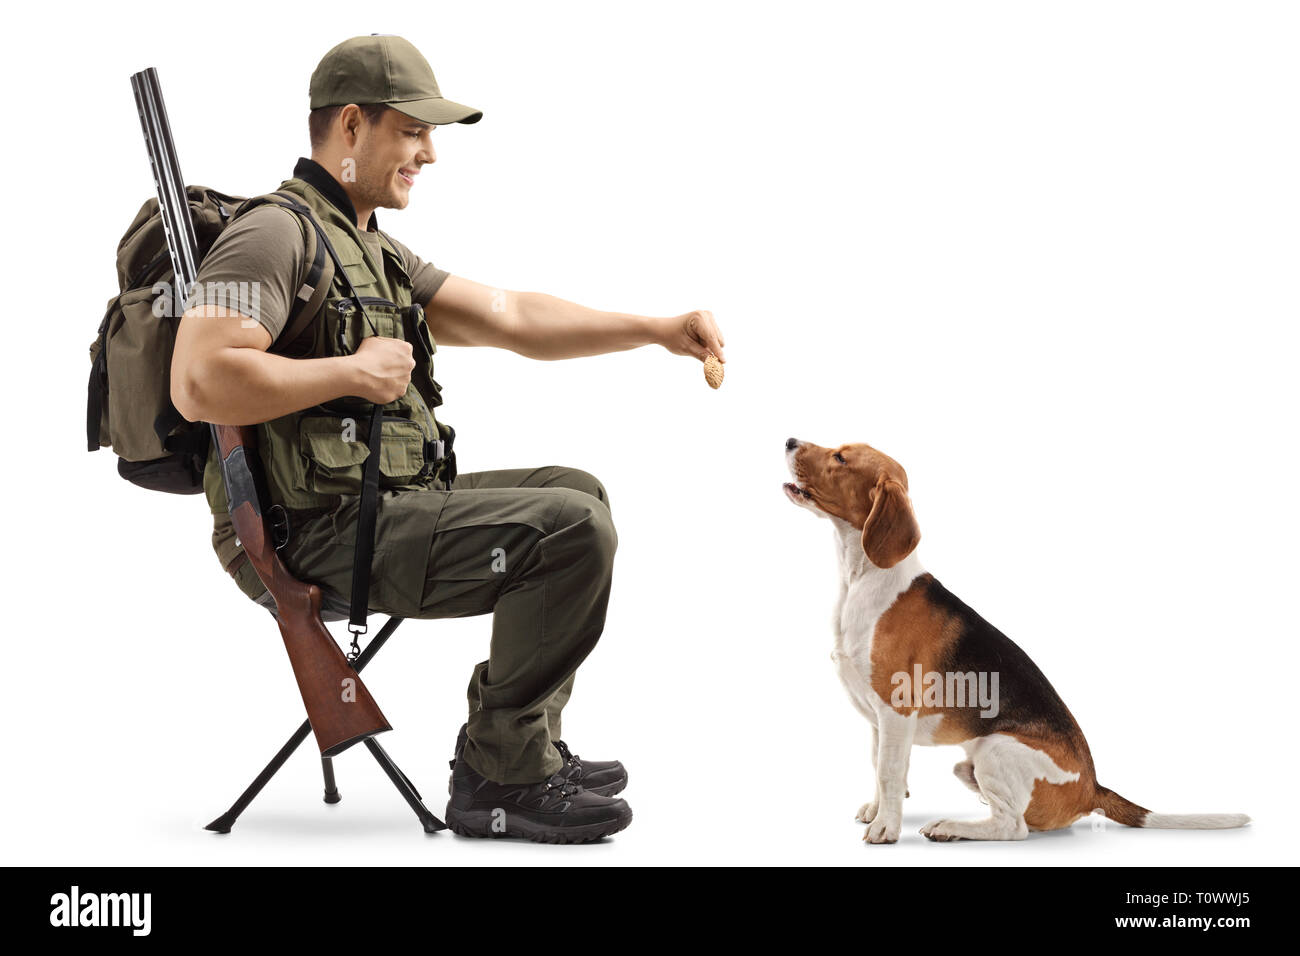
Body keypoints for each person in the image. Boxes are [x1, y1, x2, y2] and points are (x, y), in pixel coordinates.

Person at [170, 34, 725, 843]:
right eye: (412, 130)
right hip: (312, 533)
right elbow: (198, 378)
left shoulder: (367, 247)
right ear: (351, 127)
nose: (429, 152)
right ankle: (502, 775)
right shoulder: (271, 234)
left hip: (382, 507)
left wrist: (654, 329)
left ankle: (522, 740)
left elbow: (511, 317)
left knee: (576, 494)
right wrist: (349, 374)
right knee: (572, 534)